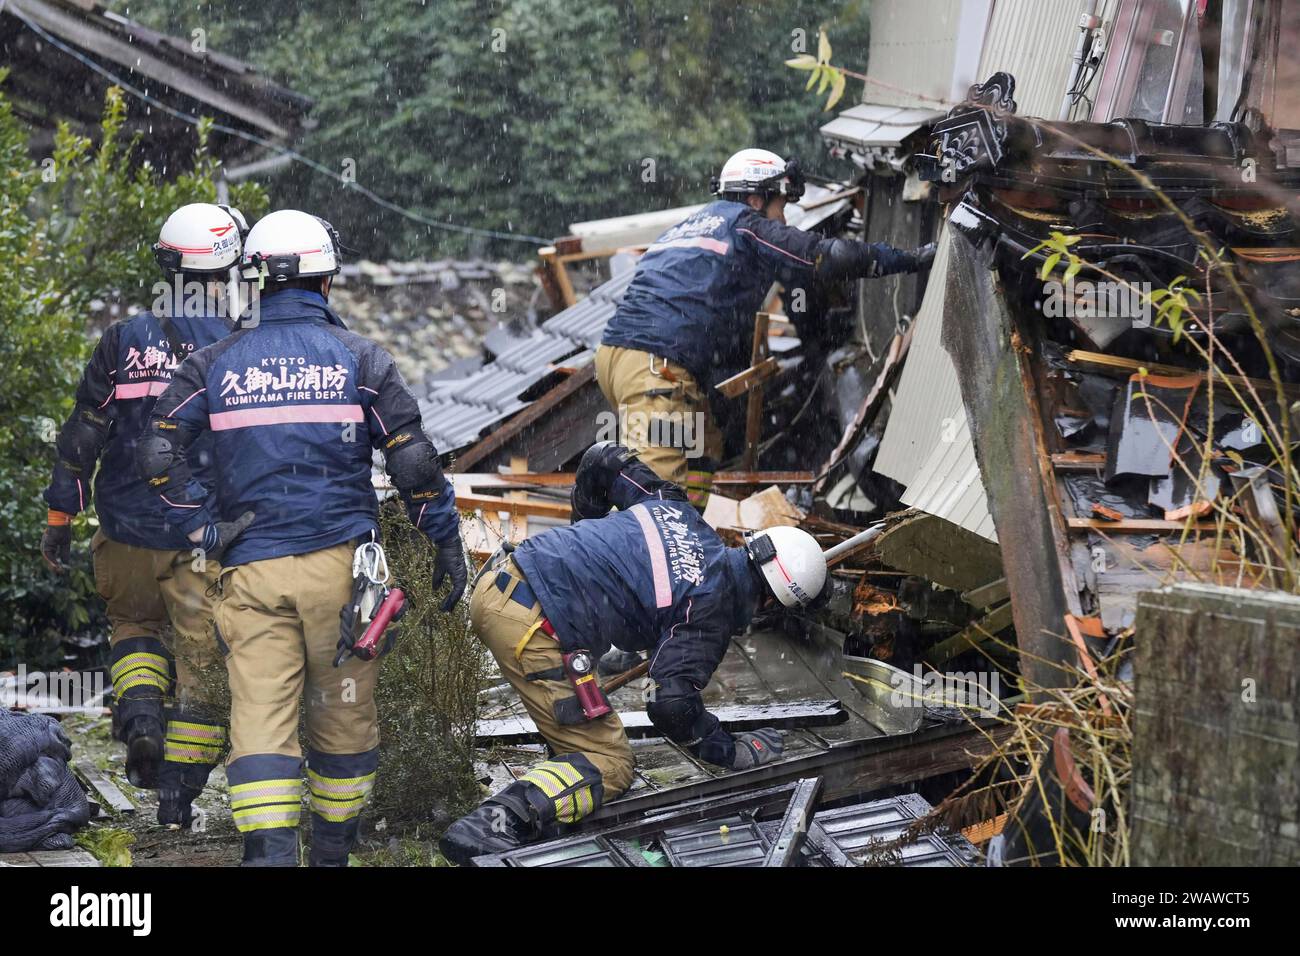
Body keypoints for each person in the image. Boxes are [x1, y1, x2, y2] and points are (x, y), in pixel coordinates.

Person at [136, 209, 467, 866]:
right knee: (342, 713)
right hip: (343, 578)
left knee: (259, 717)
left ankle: (269, 854)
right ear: (326, 279)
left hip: (252, 575)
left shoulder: (212, 364)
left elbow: (157, 456)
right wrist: (445, 543)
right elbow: (413, 466)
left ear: (254, 280)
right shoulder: (362, 359)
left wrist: (205, 525)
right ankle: (333, 855)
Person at [438, 441, 827, 864]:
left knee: (584, 716)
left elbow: (602, 459)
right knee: (609, 761)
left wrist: (583, 542)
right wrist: (729, 750)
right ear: (770, 602)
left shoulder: (678, 509)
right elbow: (671, 705)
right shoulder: (709, 609)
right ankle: (492, 827)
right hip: (532, 626)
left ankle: (558, 773)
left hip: (500, 578)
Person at [41, 202, 249, 828]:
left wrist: (60, 517)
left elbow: (83, 434)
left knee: (132, 627)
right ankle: (176, 796)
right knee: (204, 665)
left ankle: (139, 724)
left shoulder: (122, 340)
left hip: (124, 528)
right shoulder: (239, 340)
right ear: (226, 268)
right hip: (199, 536)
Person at [598, 148, 935, 508]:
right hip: (656, 372)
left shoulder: (688, 227)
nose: (784, 219)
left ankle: (689, 529)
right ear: (757, 199)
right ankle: (655, 550)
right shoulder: (746, 225)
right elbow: (822, 256)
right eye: (781, 205)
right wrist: (911, 259)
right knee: (654, 501)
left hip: (617, 360)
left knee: (702, 451)